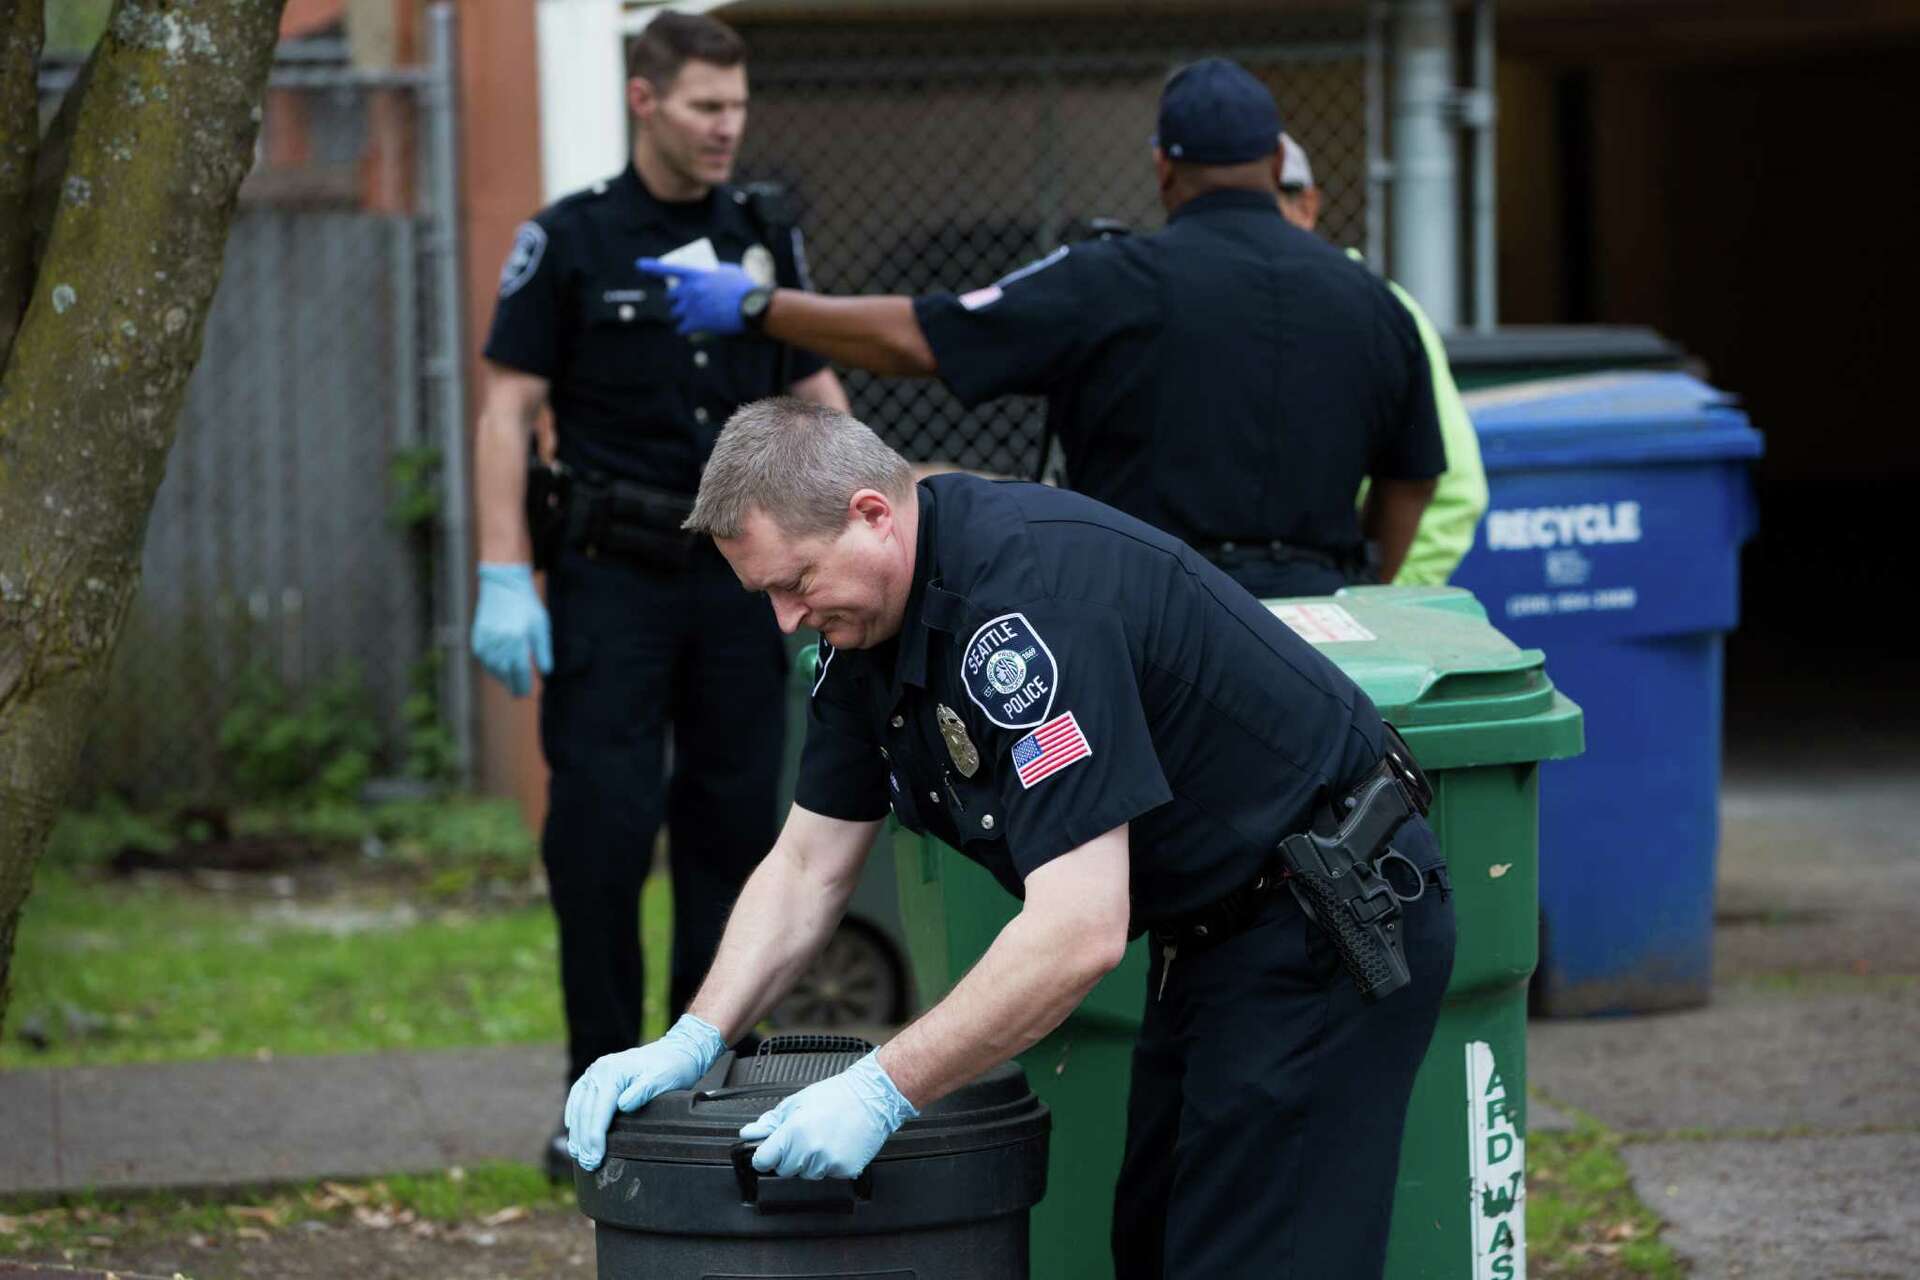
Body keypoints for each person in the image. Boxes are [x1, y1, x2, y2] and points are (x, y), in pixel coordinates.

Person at [563, 399, 1457, 1280]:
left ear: (872, 515)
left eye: (795, 582)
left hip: (1321, 915)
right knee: (1156, 1246)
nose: (785, 619)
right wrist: (693, 1037)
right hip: (1215, 934)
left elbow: (1078, 931)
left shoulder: (1027, 608)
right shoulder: (868, 627)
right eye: (764, 593)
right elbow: (807, 866)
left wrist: (883, 1087)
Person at [467, 11, 849, 1180]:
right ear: (646, 100)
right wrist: (502, 570)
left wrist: (859, 516)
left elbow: (815, 387)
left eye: (738, 105)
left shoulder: (762, 234)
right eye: (705, 106)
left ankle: (700, 1088)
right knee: (601, 835)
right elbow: (506, 410)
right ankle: (593, 1092)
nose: (728, 126)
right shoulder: (571, 237)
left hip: (742, 587)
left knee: (733, 835)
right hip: (611, 580)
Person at [635, 57, 1445, 600]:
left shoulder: (1109, 279)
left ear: (1162, 166)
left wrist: (759, 305)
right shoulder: (1375, 301)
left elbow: (922, 336)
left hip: (1155, 600)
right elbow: (1413, 479)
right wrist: (1357, 577)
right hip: (1323, 614)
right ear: (1276, 162)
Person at [1276, 131, 1490, 585]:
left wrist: (1377, 600)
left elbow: (1452, 492)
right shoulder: (1207, 307)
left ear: (1306, 206)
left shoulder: (1378, 312)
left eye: (1262, 204)